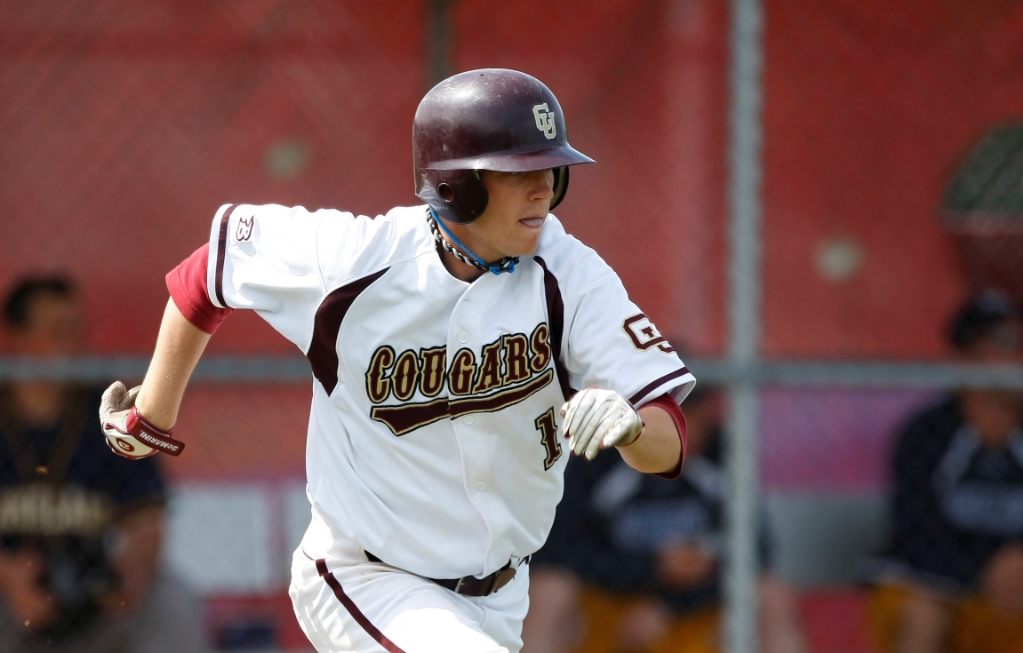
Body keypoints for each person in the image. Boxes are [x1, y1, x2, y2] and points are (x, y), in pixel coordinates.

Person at [97, 68, 695, 653]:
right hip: (366, 577)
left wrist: (634, 424)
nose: (544, 189)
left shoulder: (570, 272)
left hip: (502, 594)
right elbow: (210, 271)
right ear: (455, 184)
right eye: (519, 172)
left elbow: (668, 439)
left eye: (551, 170)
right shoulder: (357, 260)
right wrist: (151, 413)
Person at [0, 276, 209, 653]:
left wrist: (132, 572)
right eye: (56, 331)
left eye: (75, 331)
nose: (72, 344)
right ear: (18, 338)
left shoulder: (108, 413)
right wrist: (8, 576)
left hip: (91, 597)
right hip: (10, 600)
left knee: (172, 605)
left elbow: (146, 518)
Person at [521, 385, 806, 653]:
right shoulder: (601, 455)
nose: (685, 427)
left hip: (694, 605)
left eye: (691, 413)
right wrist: (652, 567)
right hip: (614, 603)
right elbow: (559, 549)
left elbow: (757, 550)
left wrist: (669, 606)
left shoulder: (722, 453)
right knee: (548, 590)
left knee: (770, 593)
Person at [866, 289, 1023, 653]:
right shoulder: (928, 434)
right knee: (924, 612)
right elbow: (916, 537)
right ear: (964, 359)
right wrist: (985, 570)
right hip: (941, 588)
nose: (1016, 355)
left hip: (1011, 595)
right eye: (1002, 343)